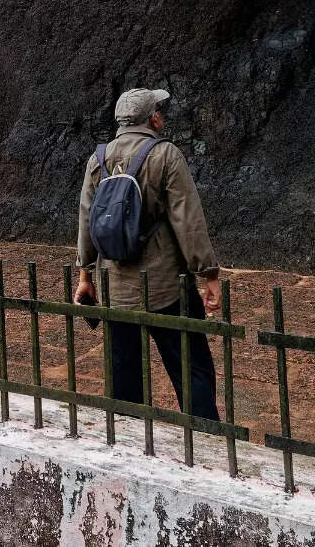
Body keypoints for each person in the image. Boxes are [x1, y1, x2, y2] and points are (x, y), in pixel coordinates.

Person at [74, 88, 222, 421]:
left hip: (115, 288)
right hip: (166, 287)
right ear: (153, 118)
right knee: (191, 369)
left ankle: (129, 440)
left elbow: (87, 220)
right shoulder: (165, 155)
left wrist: (85, 276)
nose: (163, 116)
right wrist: (208, 275)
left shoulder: (97, 159)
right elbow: (188, 220)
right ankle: (204, 437)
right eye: (161, 111)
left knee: (124, 377)